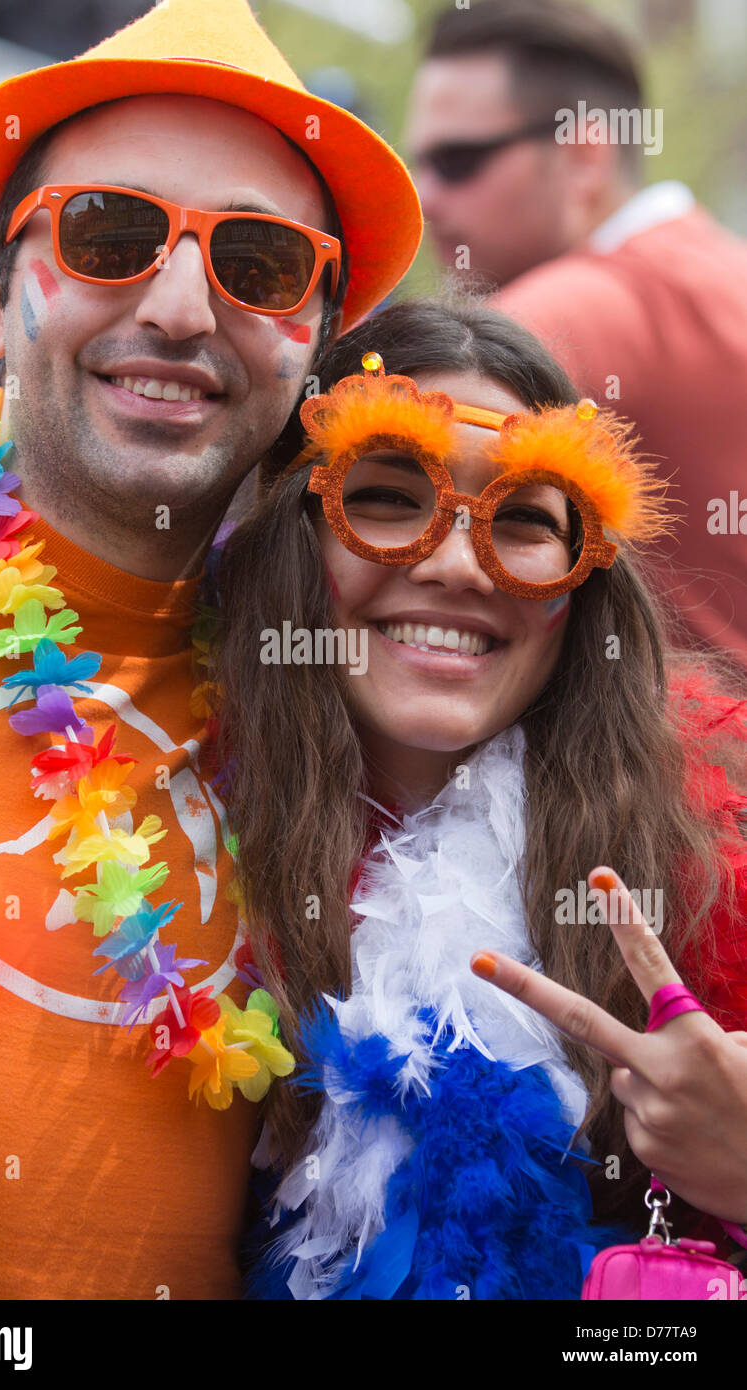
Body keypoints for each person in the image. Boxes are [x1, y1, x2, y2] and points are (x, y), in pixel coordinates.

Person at [0, 0, 422, 1300]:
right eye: (111, 234)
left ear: (311, 346)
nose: (182, 308)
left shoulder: (343, 693)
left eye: (261, 262)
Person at [208, 298, 747, 1299]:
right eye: (383, 500)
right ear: (295, 545)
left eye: (525, 521)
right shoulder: (167, 845)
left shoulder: (700, 885)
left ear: (580, 592)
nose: (456, 564)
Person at [404, 0, 747, 668]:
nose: (425, 198)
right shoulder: (716, 270)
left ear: (584, 155)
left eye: (459, 161)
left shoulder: (583, 308)